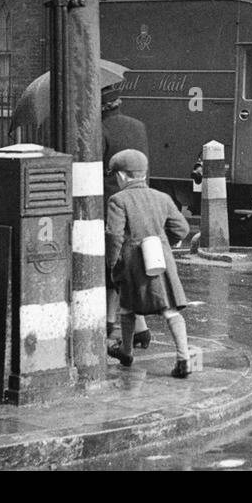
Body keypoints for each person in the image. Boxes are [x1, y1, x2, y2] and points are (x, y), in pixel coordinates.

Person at [104, 148, 192, 377]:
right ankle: (184, 357)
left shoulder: (118, 200)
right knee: (170, 309)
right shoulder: (162, 198)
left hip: (133, 263)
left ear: (122, 176)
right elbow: (182, 229)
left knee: (128, 308)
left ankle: (126, 352)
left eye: (116, 175)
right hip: (160, 260)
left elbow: (114, 235)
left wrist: (112, 262)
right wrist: (162, 243)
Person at [100, 94, 151, 357]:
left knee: (112, 268)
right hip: (139, 204)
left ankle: (114, 326)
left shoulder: (99, 130)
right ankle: (135, 328)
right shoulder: (138, 126)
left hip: (111, 207)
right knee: (127, 268)